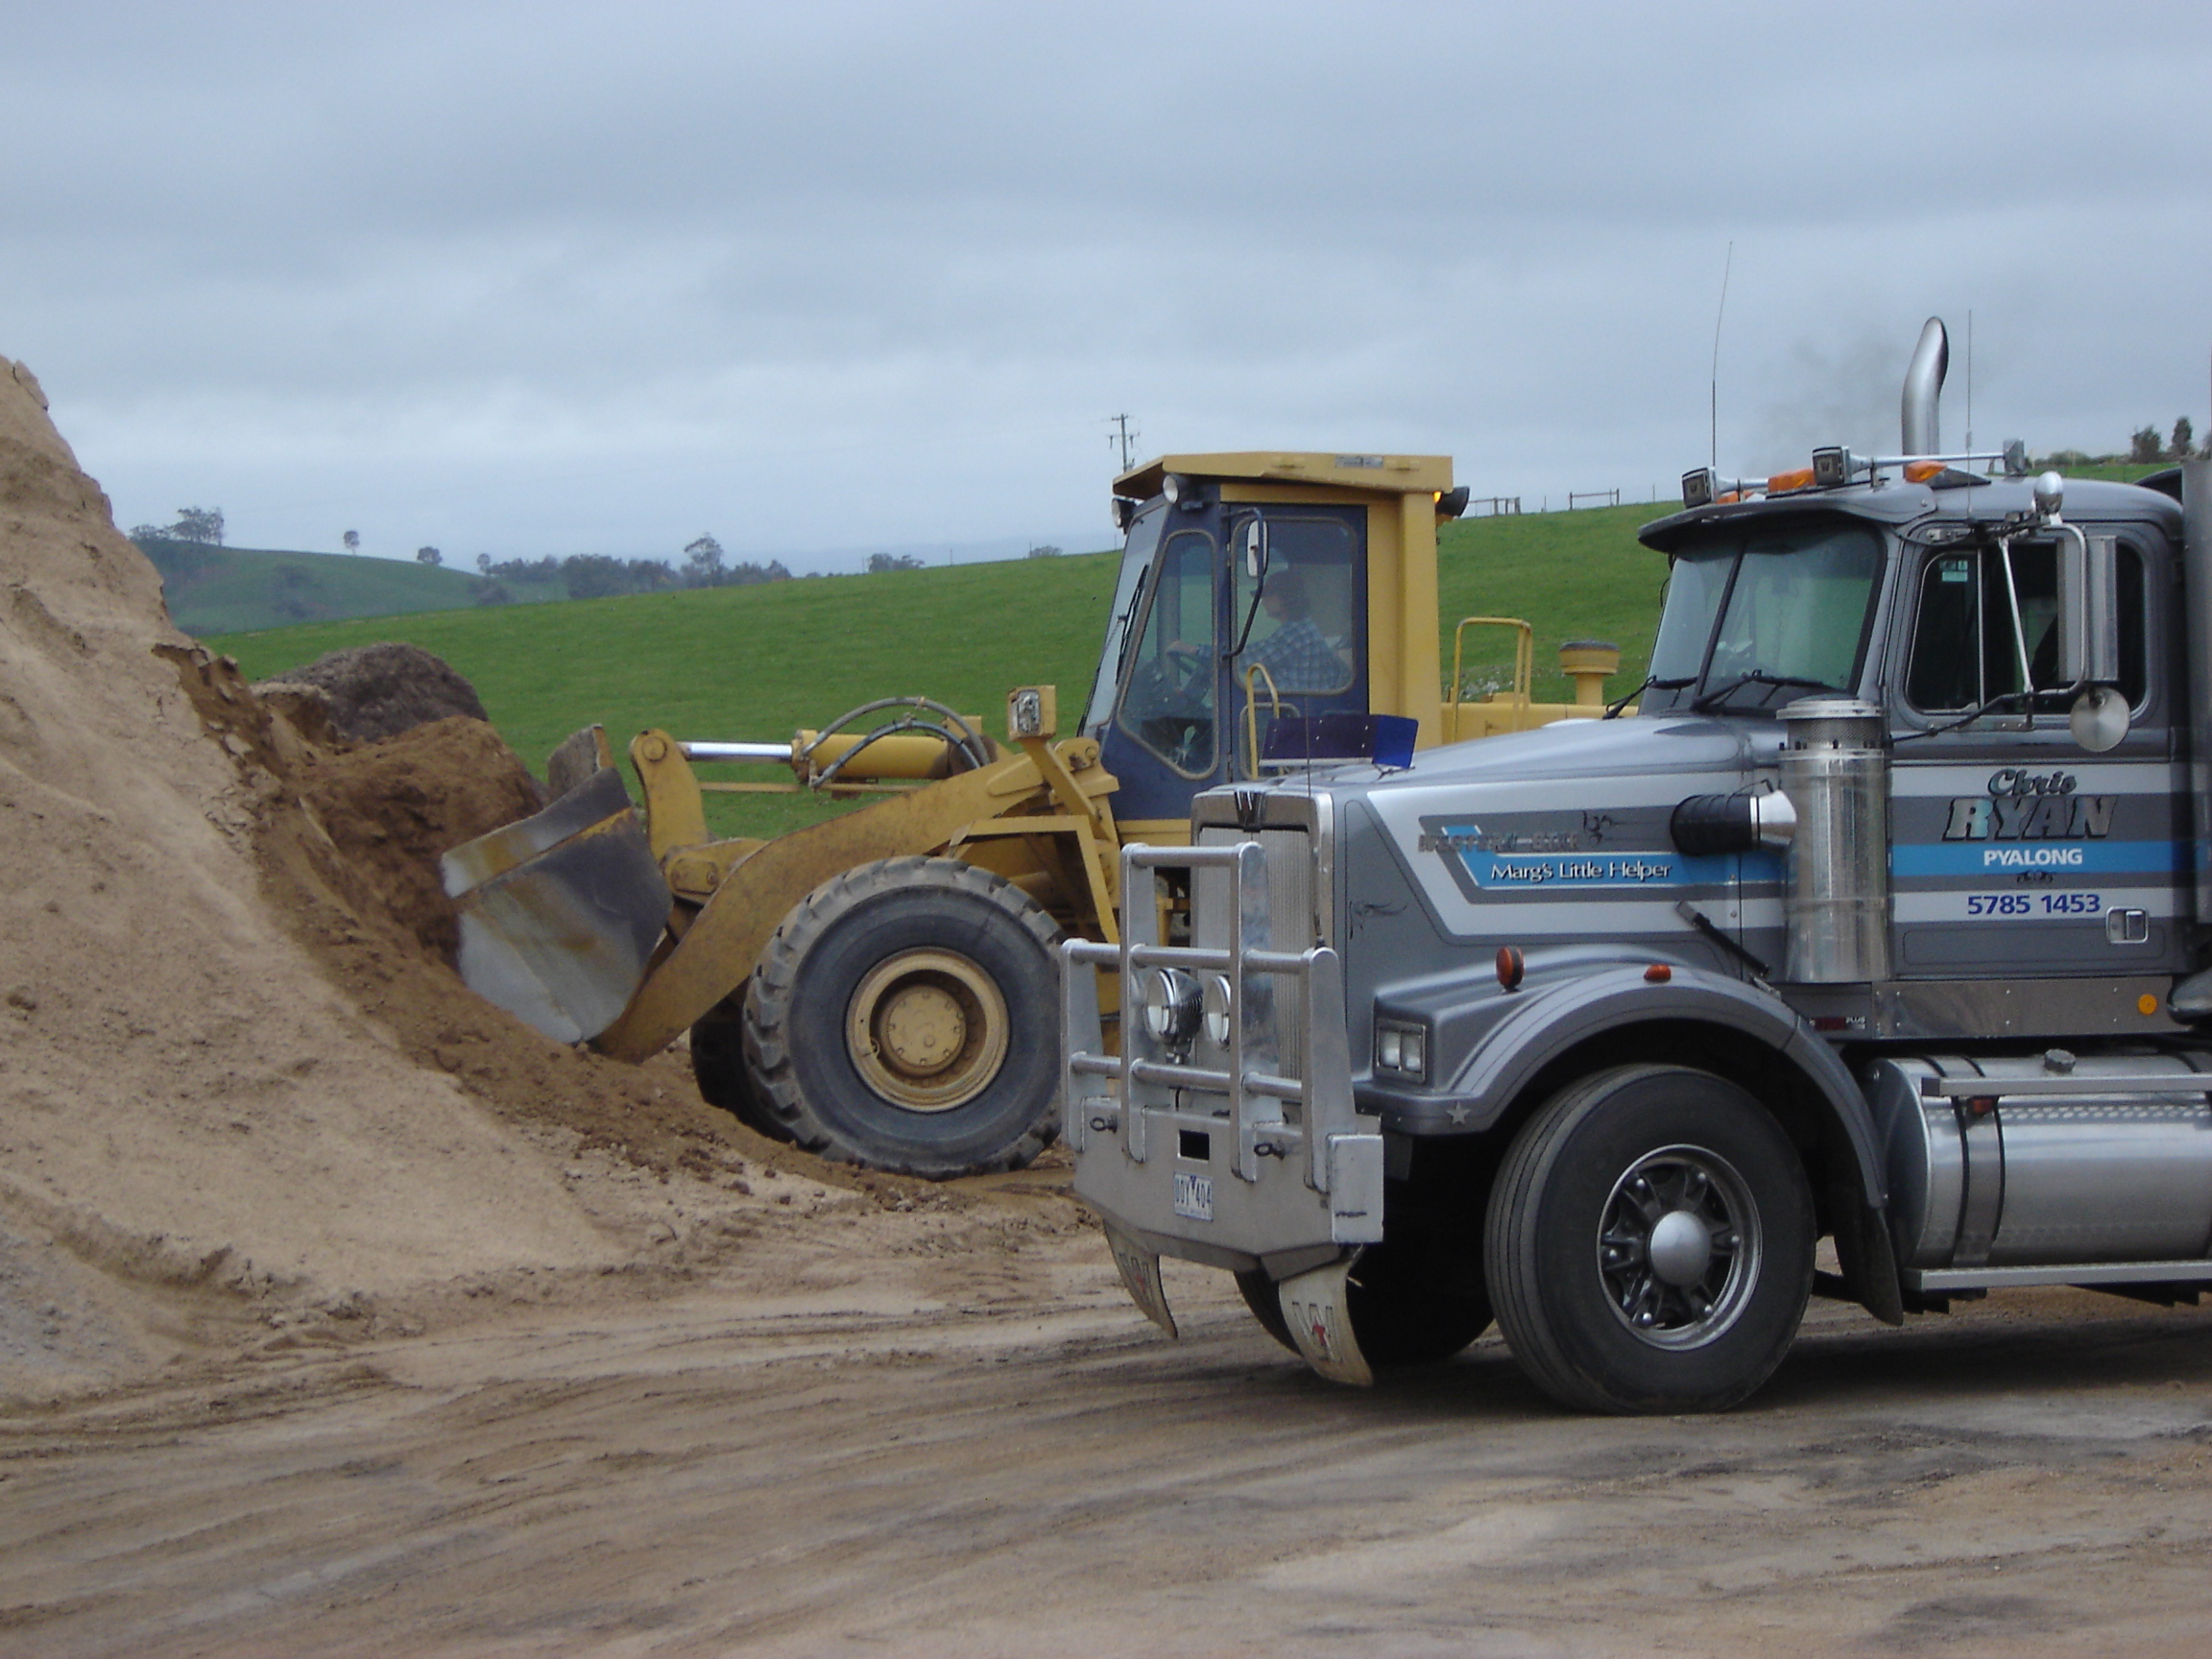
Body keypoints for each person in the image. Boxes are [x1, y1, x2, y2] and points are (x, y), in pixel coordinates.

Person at [1238, 565, 1342, 693]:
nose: (1263, 601)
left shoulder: (1295, 633)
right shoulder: (1303, 627)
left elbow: (1246, 659)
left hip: (1297, 709)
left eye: (1269, 595)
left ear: (1287, 598)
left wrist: (1213, 654)